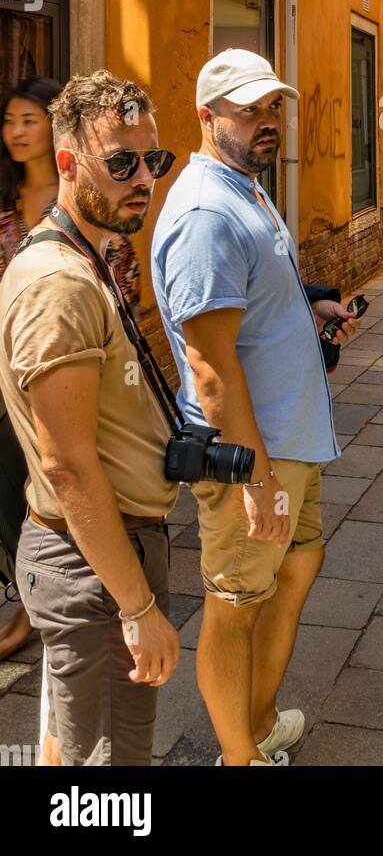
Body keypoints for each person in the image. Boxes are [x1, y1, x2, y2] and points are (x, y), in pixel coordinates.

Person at [151, 50, 361, 767]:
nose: (267, 122)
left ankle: (261, 718)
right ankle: (238, 759)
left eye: (273, 107)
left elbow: (251, 305)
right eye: (249, 110)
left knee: (300, 565)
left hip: (292, 439)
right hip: (255, 452)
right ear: (207, 118)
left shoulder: (243, 185)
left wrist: (311, 305)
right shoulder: (207, 211)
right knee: (234, 605)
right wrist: (258, 479)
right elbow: (210, 365)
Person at [0, 71, 180, 766]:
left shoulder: (91, 254)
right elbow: (67, 463)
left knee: (84, 747)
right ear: (70, 164)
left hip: (110, 553)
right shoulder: (59, 285)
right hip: (90, 567)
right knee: (102, 764)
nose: (144, 178)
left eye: (153, 161)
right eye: (122, 163)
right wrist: (137, 610)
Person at [0, 78, 142, 679]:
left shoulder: (103, 236)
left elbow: (124, 316)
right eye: (10, 119)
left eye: (28, 118)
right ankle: (36, 586)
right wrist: (142, 609)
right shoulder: (8, 208)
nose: (15, 130)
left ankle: (35, 593)